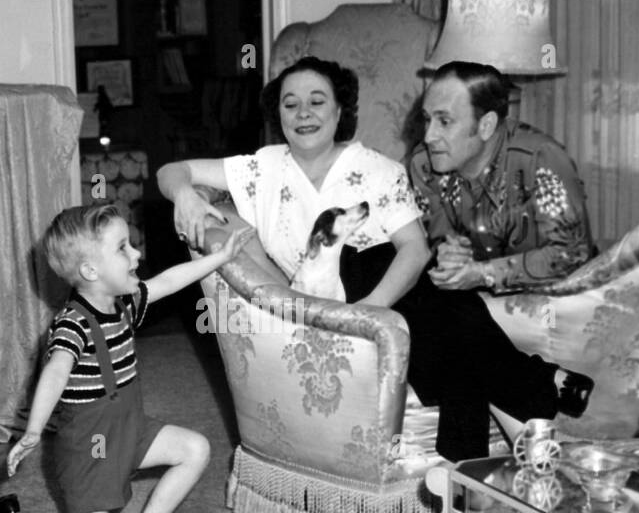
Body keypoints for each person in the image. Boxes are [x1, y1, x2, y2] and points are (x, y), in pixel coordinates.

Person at [158, 56, 594, 461]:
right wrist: (184, 196)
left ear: (339, 111)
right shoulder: (260, 168)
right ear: (279, 115)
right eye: (290, 105)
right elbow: (171, 170)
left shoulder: (377, 168)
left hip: (386, 282)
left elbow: (415, 249)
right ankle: (537, 392)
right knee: (457, 324)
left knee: (439, 317)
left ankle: (469, 470)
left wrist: (372, 310)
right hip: (349, 296)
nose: (303, 113)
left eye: (317, 101)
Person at [0, 203, 252, 513]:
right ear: (90, 270)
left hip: (129, 431)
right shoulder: (72, 323)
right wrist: (34, 429)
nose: (137, 253)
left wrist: (221, 258)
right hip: (88, 451)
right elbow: (56, 371)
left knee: (195, 449)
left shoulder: (125, 303)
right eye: (123, 248)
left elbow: (168, 281)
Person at [410, 60, 595, 292]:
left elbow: (571, 254)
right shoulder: (423, 163)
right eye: (427, 119)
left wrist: (484, 274)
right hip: (472, 299)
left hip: (556, 298)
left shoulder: (541, 159)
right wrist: (448, 251)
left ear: (486, 125)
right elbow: (436, 237)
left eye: (444, 122)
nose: (429, 136)